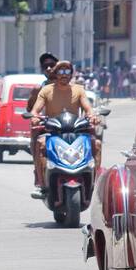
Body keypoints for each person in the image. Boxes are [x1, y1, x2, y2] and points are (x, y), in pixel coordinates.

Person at [27, 59, 98, 193]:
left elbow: (88, 108)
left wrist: (92, 116)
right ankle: (42, 181)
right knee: (40, 144)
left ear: (71, 74)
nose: (64, 74)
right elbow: (35, 110)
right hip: (53, 131)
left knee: (97, 144)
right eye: (61, 71)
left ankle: (94, 180)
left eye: (67, 71)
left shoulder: (79, 90)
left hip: (76, 131)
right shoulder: (46, 90)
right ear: (56, 73)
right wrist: (35, 117)